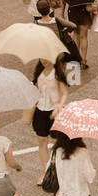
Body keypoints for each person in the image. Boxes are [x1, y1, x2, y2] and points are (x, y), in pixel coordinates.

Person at [32, 54, 69, 186]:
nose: (43, 59)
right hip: (40, 111)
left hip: (55, 112)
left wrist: (59, 105)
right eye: (41, 57)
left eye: (47, 57)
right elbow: (36, 91)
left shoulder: (57, 73)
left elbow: (64, 92)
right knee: (42, 141)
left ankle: (59, 171)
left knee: (57, 143)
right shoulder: (39, 73)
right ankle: (46, 172)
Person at [51, 132, 96, 196]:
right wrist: (91, 163)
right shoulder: (82, 152)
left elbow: (50, 170)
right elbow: (89, 178)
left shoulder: (56, 152)